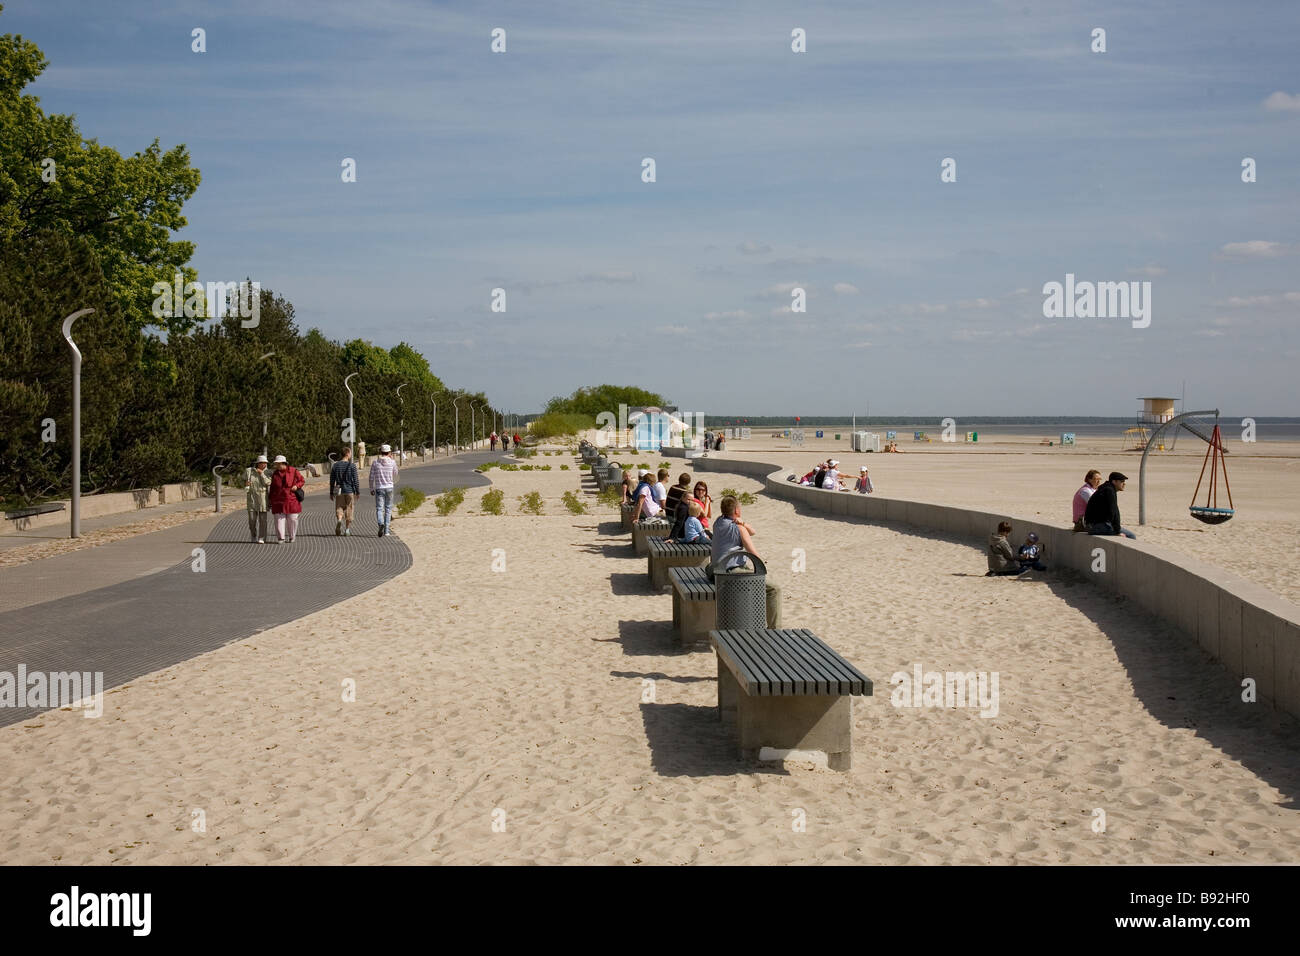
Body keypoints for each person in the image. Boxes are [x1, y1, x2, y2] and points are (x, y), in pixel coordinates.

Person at [710, 496, 760, 574]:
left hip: (714, 569)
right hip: (729, 571)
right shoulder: (739, 528)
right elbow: (753, 553)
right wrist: (762, 564)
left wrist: (743, 523)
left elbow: (752, 532)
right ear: (736, 510)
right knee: (768, 585)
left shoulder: (718, 521)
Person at [1084, 471, 1137, 539]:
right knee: (1131, 536)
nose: (1124, 484)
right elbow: (1114, 512)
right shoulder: (1109, 491)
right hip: (1096, 527)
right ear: (1114, 481)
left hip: (1091, 526)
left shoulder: (1105, 488)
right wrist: (1117, 531)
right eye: (1122, 481)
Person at [268, 455, 305, 544]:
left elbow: (302, 480)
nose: (277, 466)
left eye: (278, 464)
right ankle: (281, 538)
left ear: (283, 463)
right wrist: (270, 499)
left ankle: (292, 536)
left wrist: (296, 486)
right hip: (278, 500)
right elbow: (272, 487)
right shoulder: (275, 474)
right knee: (279, 520)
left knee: (293, 519)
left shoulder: (294, 471)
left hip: (291, 499)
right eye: (276, 464)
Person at [369, 443, 399, 537]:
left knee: (379, 508)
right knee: (388, 509)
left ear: (381, 452)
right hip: (389, 487)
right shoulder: (392, 462)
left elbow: (371, 477)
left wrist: (371, 488)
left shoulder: (375, 463)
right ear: (389, 452)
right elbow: (396, 473)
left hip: (379, 487)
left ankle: (380, 523)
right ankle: (386, 531)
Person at [330, 447, 360, 536]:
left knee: (339, 507)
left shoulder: (335, 465)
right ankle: (347, 530)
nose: (351, 455)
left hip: (339, 490)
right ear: (347, 454)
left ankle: (339, 520)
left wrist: (331, 492)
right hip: (349, 490)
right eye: (350, 453)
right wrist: (357, 492)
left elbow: (332, 480)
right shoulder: (352, 465)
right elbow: (355, 480)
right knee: (349, 508)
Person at [245, 454, 272, 543]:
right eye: (261, 463)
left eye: (265, 463)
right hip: (252, 498)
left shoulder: (269, 472)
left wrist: (262, 474)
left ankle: (262, 537)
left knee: (263, 520)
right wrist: (245, 484)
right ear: (258, 463)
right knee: (252, 520)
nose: (264, 464)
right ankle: (253, 535)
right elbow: (242, 480)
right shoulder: (249, 471)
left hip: (263, 498)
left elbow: (268, 483)